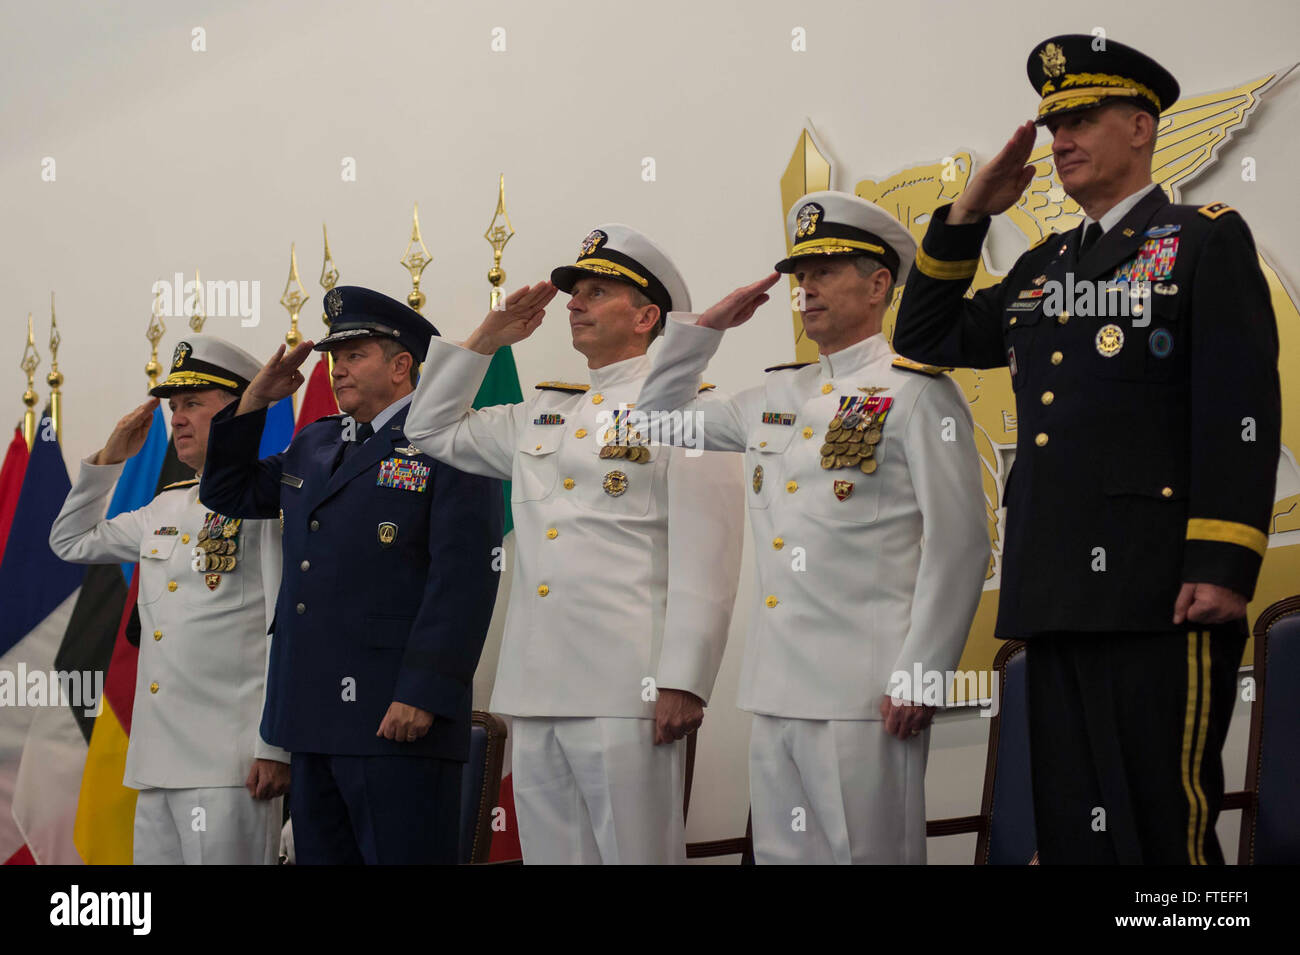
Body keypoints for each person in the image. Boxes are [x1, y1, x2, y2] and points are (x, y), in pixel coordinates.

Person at [892, 35, 1281, 864]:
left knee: (1158, 826)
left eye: (1080, 118)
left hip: (1159, 588)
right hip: (1054, 584)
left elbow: (1239, 405)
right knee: (1076, 828)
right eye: (1052, 121)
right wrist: (970, 214)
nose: (1059, 137)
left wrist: (1221, 560)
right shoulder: (1043, 266)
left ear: (1141, 127)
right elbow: (924, 334)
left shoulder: (1201, 239)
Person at [634, 193, 989, 863]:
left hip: (868, 690)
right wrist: (704, 330)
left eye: (826, 271)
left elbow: (961, 541)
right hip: (776, 690)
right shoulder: (774, 396)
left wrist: (923, 673)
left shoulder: (918, 392)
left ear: (880, 283)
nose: (808, 287)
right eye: (801, 275)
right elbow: (654, 421)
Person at [404, 225, 744, 864]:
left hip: (628, 688)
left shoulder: (692, 410)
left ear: (646, 316)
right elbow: (428, 428)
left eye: (594, 291)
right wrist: (485, 341)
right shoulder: (543, 411)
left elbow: (710, 554)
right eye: (573, 292)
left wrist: (686, 680)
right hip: (536, 686)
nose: (573, 303)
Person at [199, 287, 503, 864]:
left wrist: (424, 694)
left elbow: (463, 579)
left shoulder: (450, 440)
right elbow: (227, 491)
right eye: (335, 358)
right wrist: (255, 402)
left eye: (355, 355)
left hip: (396, 719)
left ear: (400, 364)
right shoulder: (315, 441)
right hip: (311, 716)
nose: (338, 370)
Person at [50, 335, 288, 864]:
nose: (177, 419)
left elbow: (283, 630)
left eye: (194, 405)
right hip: (157, 761)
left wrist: (274, 747)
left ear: (236, 411)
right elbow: (69, 541)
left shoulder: (271, 504)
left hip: (229, 766)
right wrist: (111, 457)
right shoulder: (164, 508)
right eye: (174, 407)